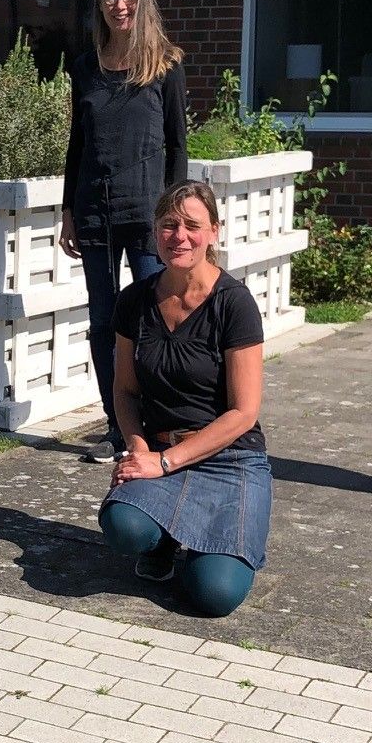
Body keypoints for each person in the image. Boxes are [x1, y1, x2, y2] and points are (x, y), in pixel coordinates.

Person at [97, 181, 271, 617]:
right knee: (122, 527)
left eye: (192, 225)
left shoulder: (234, 303)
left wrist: (165, 463)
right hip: (158, 451)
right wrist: (138, 449)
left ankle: (213, 547)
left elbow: (244, 412)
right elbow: (124, 390)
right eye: (168, 225)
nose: (180, 236)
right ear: (155, 232)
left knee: (213, 596)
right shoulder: (134, 300)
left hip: (229, 459)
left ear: (214, 231)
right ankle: (165, 539)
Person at [58, 0, 189, 463]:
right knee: (102, 321)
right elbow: (78, 144)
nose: (120, 5)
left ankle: (159, 424)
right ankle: (119, 428)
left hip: (148, 215)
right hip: (95, 212)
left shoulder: (165, 65)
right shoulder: (86, 67)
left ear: (142, 2)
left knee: (156, 320)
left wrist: (175, 217)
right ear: (101, 6)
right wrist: (69, 210)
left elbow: (178, 144)